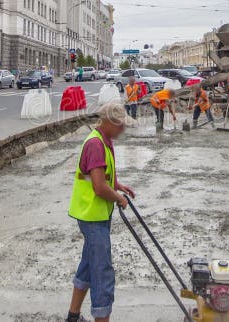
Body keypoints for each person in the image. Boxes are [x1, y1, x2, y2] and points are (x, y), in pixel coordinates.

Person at [66, 102, 136, 322]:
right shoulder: (96, 144)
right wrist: (119, 199)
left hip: (94, 216)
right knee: (102, 274)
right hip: (92, 217)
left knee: (88, 267)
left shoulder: (103, 140)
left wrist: (118, 185)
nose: (122, 130)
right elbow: (98, 187)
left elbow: (99, 177)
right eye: (120, 125)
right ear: (109, 122)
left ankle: (73, 317)